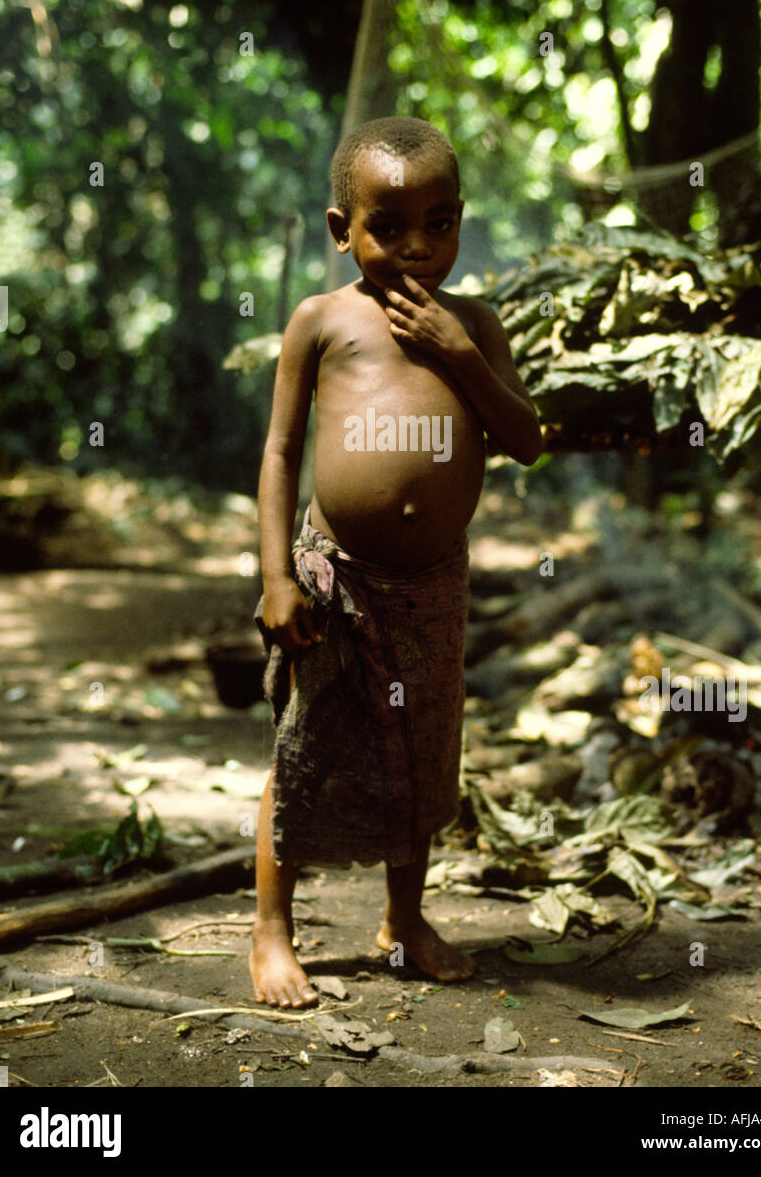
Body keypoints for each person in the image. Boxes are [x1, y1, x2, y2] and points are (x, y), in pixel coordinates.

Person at [250, 116, 543, 1007]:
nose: (418, 247)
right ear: (343, 229)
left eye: (440, 222)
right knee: (303, 749)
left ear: (461, 221)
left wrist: (462, 355)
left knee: (419, 751)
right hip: (335, 578)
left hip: (431, 587)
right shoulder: (322, 321)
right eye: (388, 226)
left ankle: (403, 921)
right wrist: (274, 576)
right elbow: (279, 452)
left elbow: (526, 439)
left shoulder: (477, 325)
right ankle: (271, 932)